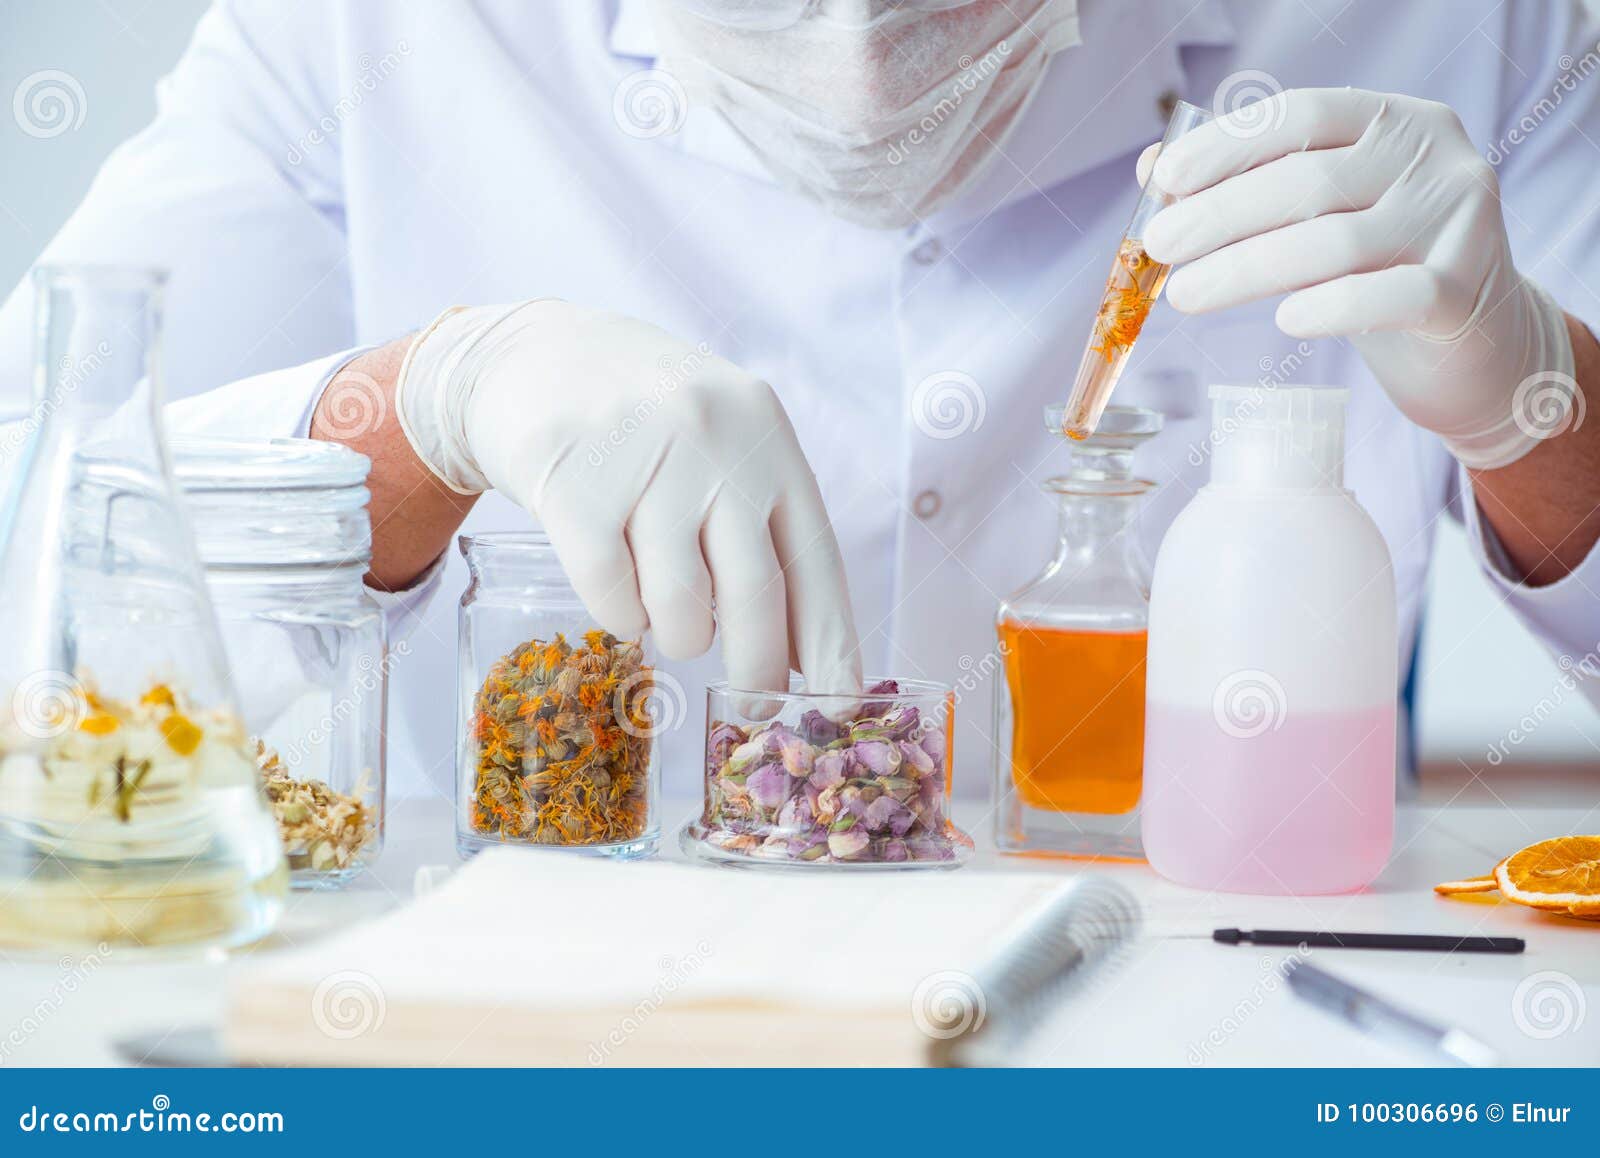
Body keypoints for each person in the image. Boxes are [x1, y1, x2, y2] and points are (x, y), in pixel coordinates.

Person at [2, 0, 1596, 801]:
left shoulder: (1478, 24)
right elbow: (38, 571)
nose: (855, 45)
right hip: (526, 991)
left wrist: (1534, 405)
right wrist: (419, 405)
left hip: (1217, 995)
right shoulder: (372, 29)